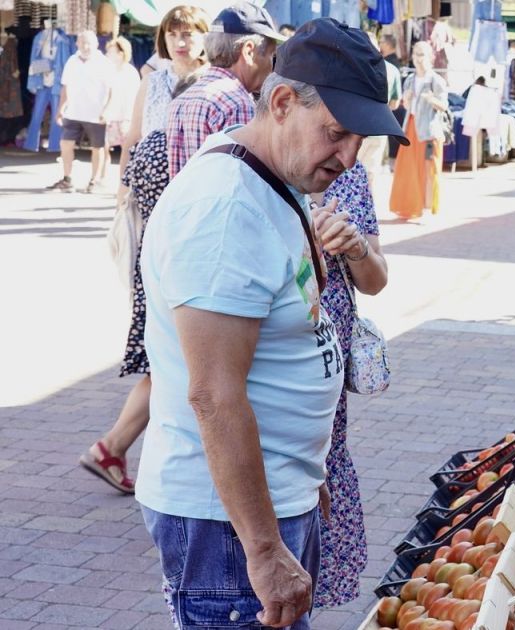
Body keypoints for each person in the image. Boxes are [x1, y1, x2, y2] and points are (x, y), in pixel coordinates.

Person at [137, 18, 404, 629]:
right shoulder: (225, 208)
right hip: (225, 527)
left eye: (360, 141)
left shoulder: (272, 175)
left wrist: (300, 474)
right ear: (281, 102)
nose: (349, 157)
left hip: (269, 501)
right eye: (337, 134)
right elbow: (213, 394)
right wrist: (262, 545)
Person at [78, 7, 213, 496]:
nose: (181, 42)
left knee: (174, 353)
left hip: (185, 226)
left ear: (204, 39)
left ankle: (115, 447)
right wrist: (121, 204)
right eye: (173, 34)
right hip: (156, 231)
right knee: (174, 350)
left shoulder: (211, 83)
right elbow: (133, 141)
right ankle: (118, 448)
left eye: (189, 34)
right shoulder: (152, 78)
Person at [311, 161, 388, 608]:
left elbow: (376, 282)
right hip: (276, 364)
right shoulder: (258, 170)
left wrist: (356, 247)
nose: (348, 149)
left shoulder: (351, 174)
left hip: (331, 364)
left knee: (325, 461)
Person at [166, 1, 283, 177]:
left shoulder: (182, 99)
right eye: (271, 55)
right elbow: (245, 180)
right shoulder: (236, 102)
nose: (271, 65)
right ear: (249, 51)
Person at [46, 31, 112, 194]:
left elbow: (112, 89)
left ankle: (94, 180)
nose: (85, 46)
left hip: (96, 113)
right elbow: (65, 87)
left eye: (89, 43)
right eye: (82, 42)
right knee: (65, 144)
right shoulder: (72, 61)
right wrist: (61, 109)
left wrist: (107, 109)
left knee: (98, 147)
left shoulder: (103, 63)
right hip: (73, 112)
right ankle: (67, 179)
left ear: (96, 44)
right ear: (77, 44)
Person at [389, 41, 444, 222]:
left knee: (428, 170)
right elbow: (405, 104)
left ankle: (427, 209)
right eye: (415, 55)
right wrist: (406, 98)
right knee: (407, 170)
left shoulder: (436, 80)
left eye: (421, 55)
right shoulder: (411, 80)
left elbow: (444, 105)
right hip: (410, 127)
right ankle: (409, 206)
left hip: (428, 131)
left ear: (430, 57)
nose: (418, 59)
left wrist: (431, 99)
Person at [357, 31, 401, 186]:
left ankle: (351, 207)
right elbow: (395, 104)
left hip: (355, 126)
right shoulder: (393, 70)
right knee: (371, 172)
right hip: (379, 128)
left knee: (350, 171)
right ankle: (369, 207)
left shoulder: (354, 67)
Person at [101, 36, 140, 178]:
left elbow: (134, 97)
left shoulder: (131, 72)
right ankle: (101, 177)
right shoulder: (107, 71)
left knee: (127, 151)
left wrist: (130, 118)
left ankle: (125, 181)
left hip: (125, 117)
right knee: (103, 148)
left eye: (111, 52)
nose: (108, 55)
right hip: (109, 116)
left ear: (121, 53)